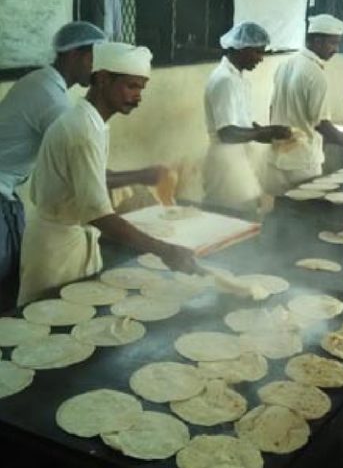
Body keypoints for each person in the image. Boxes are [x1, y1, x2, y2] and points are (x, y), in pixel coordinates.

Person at [19, 42, 198, 305]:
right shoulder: (82, 130)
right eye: (131, 86)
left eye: (141, 88)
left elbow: (91, 178)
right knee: (51, 325)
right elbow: (100, 215)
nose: (138, 96)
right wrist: (165, 250)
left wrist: (140, 175)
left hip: (72, 240)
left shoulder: (91, 122)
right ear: (102, 79)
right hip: (57, 250)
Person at [0, 21, 106, 312]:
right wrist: (143, 175)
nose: (97, 69)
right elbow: (82, 168)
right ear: (74, 55)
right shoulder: (49, 96)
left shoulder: (42, 83)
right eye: (93, 59)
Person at [267, 13, 343, 192]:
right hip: (301, 162)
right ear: (316, 41)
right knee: (304, 214)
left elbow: (272, 109)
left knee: (281, 211)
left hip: (276, 158)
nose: (336, 49)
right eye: (333, 43)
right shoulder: (315, 74)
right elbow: (322, 125)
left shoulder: (286, 64)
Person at [202, 22, 291, 213]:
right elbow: (227, 132)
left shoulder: (236, 78)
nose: (260, 59)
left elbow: (238, 120)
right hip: (226, 161)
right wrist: (264, 132)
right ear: (241, 49)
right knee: (230, 217)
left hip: (237, 158)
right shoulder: (225, 80)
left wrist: (262, 132)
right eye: (257, 52)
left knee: (246, 212)